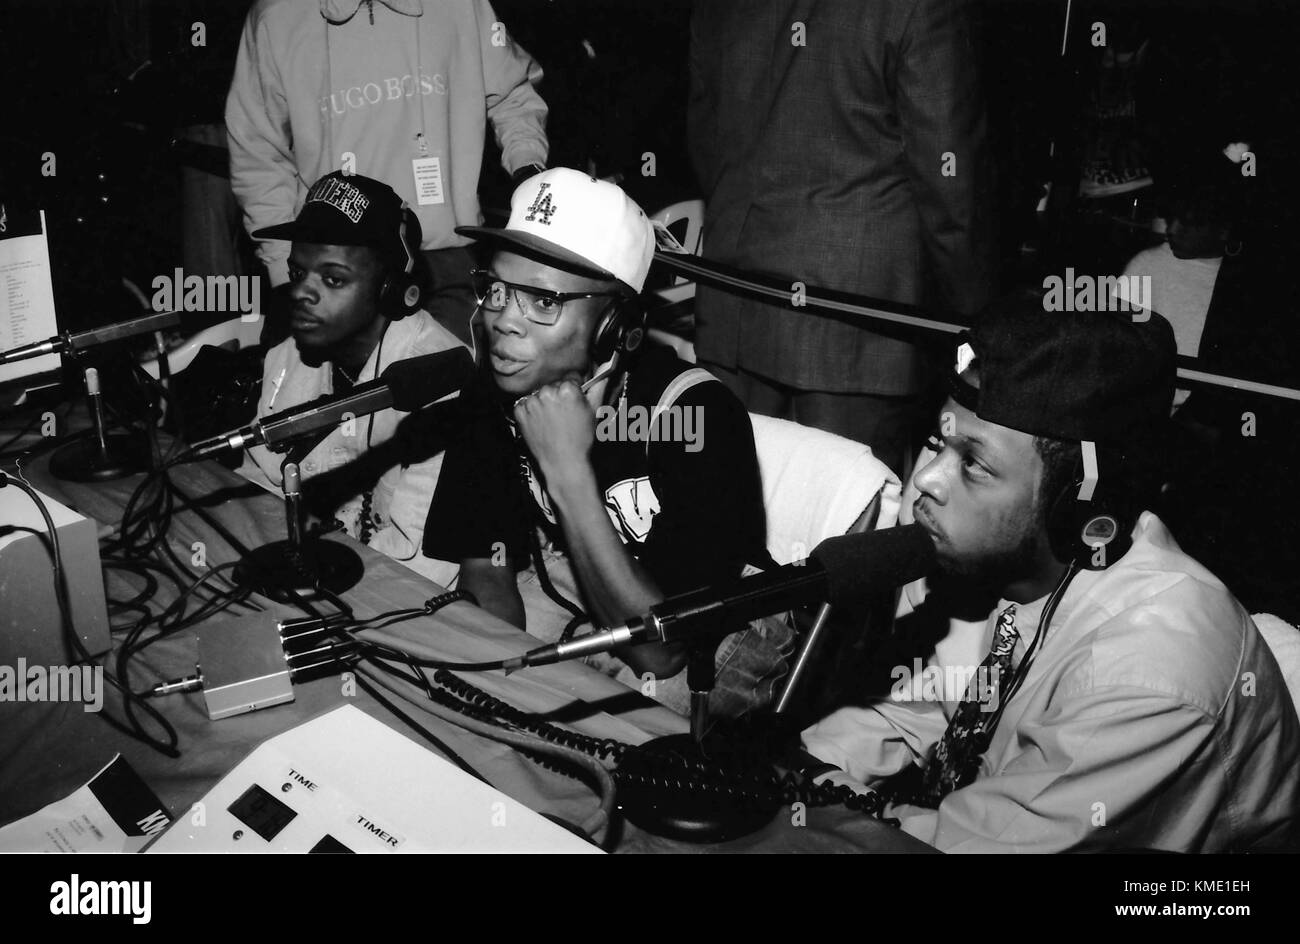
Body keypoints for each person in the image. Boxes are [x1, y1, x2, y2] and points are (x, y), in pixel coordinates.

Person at [800, 290, 1300, 853]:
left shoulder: (1148, 673)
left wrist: (836, 809)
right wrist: (798, 772)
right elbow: (910, 711)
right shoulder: (988, 560)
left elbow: (976, 849)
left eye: (974, 464)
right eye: (939, 441)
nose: (927, 481)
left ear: (1078, 505)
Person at [421, 168, 794, 718]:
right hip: (585, 581)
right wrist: (490, 682)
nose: (502, 319)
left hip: (705, 622)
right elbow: (488, 570)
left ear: (613, 326)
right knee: (445, 676)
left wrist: (567, 471)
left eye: (542, 301)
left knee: (615, 732)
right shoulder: (496, 389)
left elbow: (660, 650)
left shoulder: (696, 415)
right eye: (495, 289)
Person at [687, 0, 997, 475]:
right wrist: (976, 318)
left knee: (732, 517)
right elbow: (950, 180)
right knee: (847, 529)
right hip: (857, 324)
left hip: (737, 302)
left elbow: (705, 138)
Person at [226, 0, 549, 346]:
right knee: (347, 399)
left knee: (454, 393)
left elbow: (512, 94)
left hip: (446, 261)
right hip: (338, 269)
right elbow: (256, 151)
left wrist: (528, 168)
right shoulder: (276, 15)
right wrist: (282, 273)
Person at [238, 171, 466, 585]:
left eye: (333, 279)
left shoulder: (440, 382)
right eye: (297, 274)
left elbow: (416, 565)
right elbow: (258, 493)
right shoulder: (288, 355)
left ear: (391, 290)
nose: (302, 293)